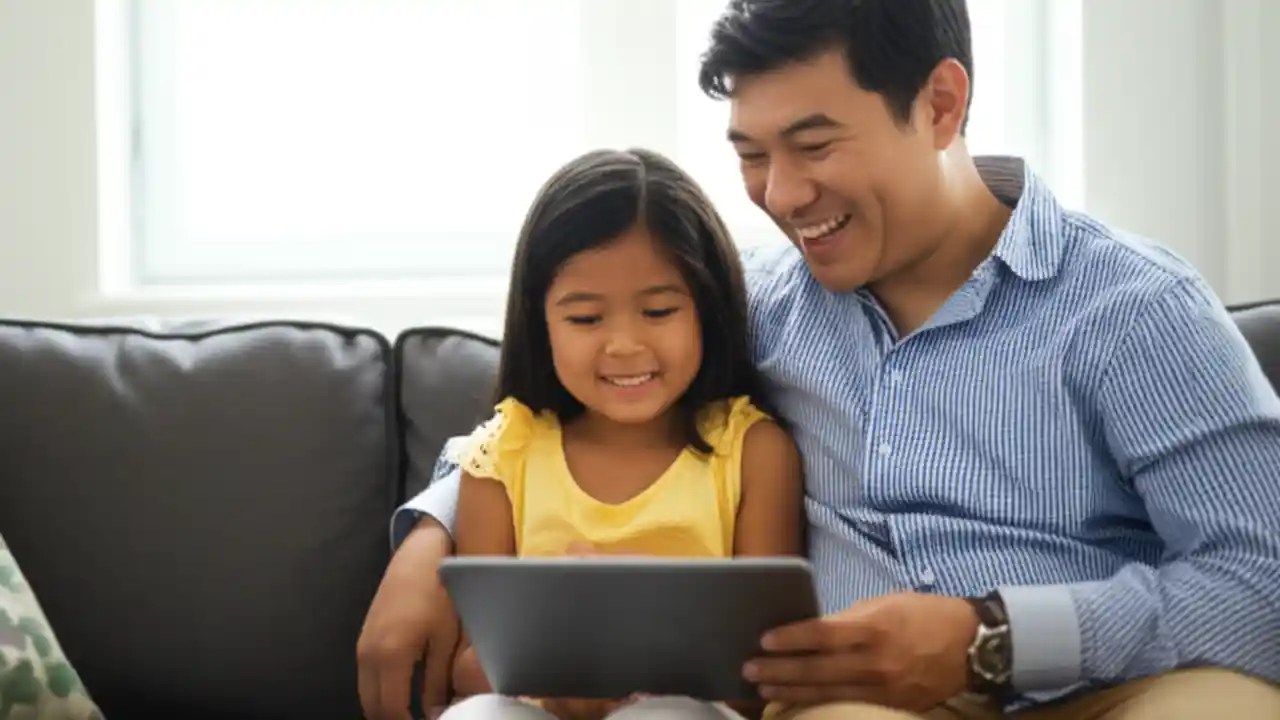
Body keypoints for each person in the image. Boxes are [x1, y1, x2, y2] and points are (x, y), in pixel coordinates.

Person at [357, 0, 1280, 718]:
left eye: (813, 145)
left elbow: (1261, 579)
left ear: (941, 104)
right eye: (752, 154)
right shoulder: (752, 305)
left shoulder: (1133, 309)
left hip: (1116, 689)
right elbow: (559, 413)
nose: (782, 194)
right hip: (855, 706)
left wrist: (990, 637)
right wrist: (429, 542)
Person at [426, 147, 802, 720]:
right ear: (540, 321)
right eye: (584, 319)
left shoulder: (752, 450)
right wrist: (558, 659)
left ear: (706, 309)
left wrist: (649, 659)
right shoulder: (501, 456)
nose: (624, 346)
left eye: (659, 312)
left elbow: (766, 670)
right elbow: (471, 664)